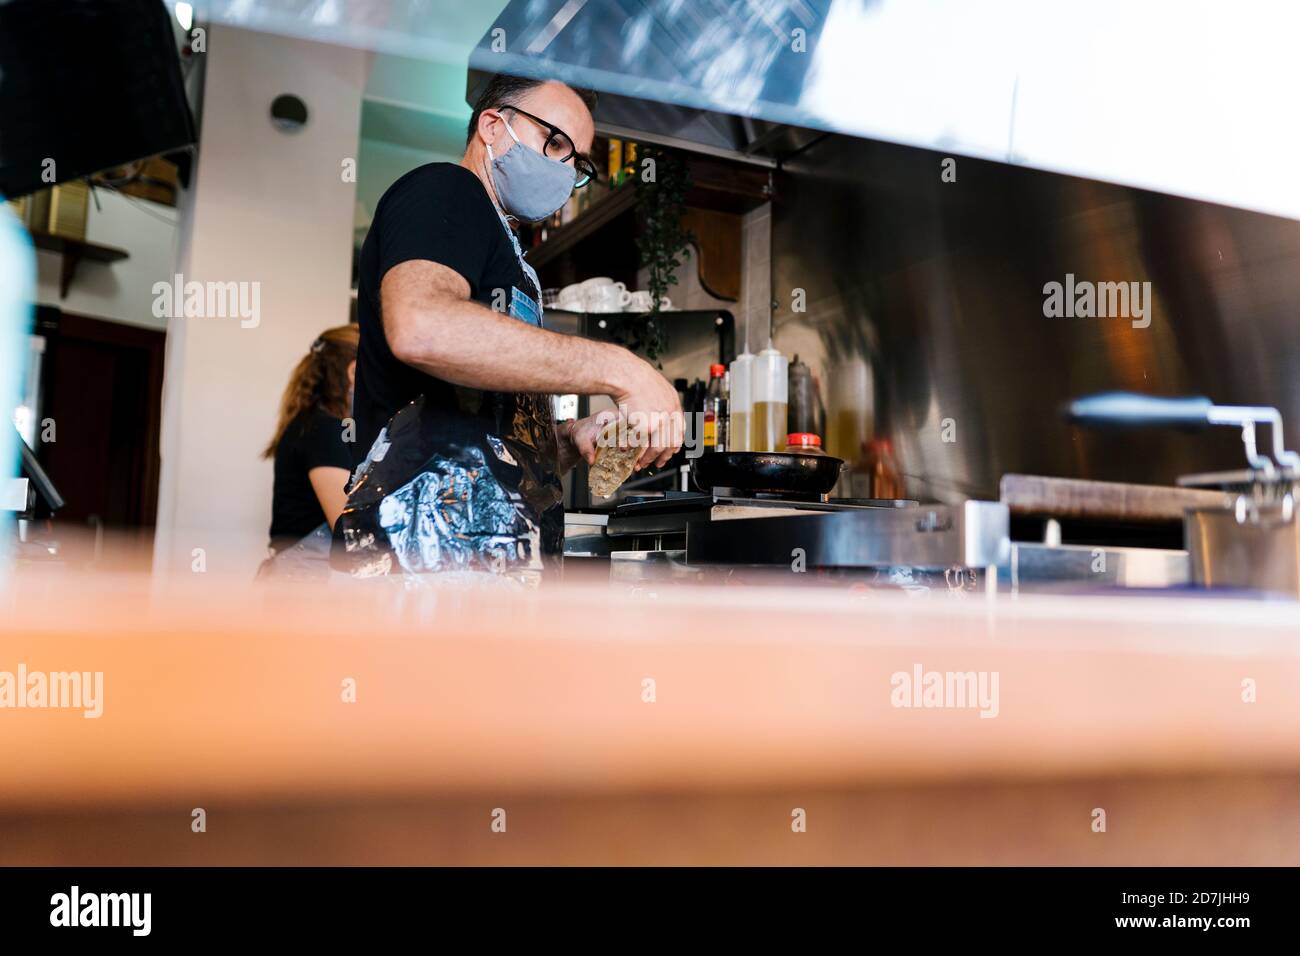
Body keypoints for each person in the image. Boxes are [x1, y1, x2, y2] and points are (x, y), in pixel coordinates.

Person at [343, 73, 683, 580]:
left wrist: (569, 439)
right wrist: (621, 368)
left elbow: (490, 442)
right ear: (492, 126)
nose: (565, 170)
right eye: (555, 142)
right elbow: (422, 326)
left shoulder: (511, 258)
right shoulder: (446, 190)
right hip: (419, 561)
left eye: (579, 162)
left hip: (493, 564)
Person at [263, 324, 358, 555]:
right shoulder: (323, 429)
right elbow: (346, 526)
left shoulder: (319, 423)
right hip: (302, 577)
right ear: (353, 371)